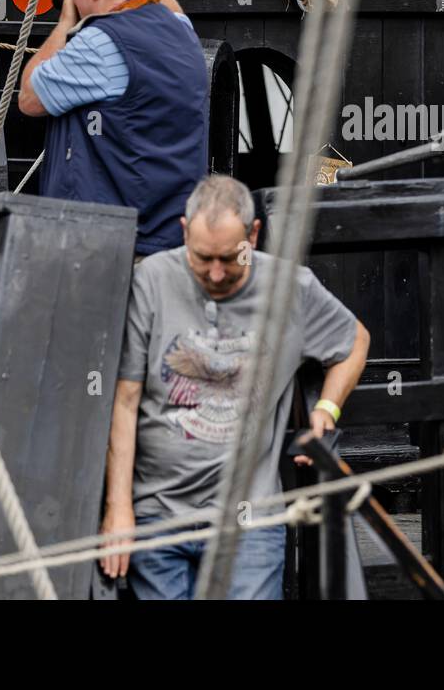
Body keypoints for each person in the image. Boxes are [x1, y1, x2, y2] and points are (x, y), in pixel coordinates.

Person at [98, 174, 370, 600]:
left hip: (248, 518)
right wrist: (118, 510)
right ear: (185, 233)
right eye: (203, 258)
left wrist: (326, 411)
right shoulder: (151, 280)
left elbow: (354, 342)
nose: (217, 273)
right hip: (158, 513)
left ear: (254, 234)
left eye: (228, 257)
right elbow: (125, 399)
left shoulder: (290, 288)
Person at [17, 0, 208, 256]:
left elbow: (30, 97)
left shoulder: (101, 44)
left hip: (110, 248)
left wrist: (66, 23)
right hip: (170, 239)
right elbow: (163, 1)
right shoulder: (181, 31)